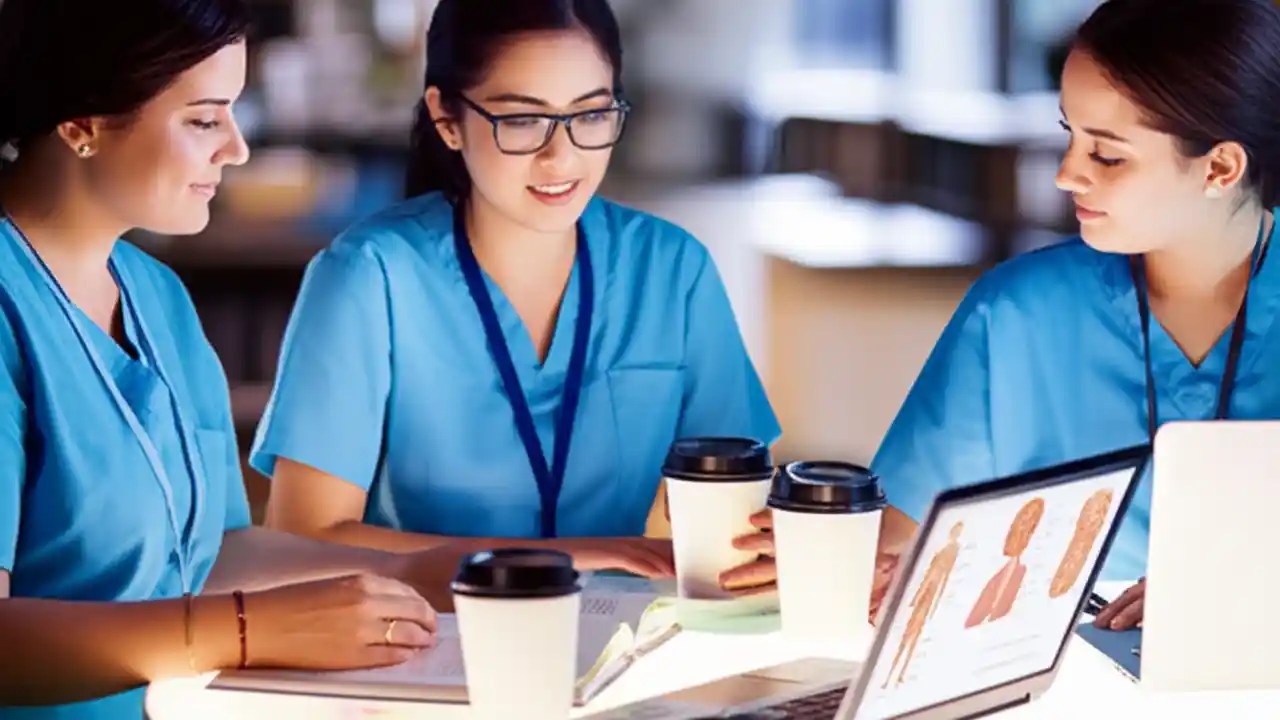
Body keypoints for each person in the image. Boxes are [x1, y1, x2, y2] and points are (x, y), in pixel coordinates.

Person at [0, 2, 477, 717]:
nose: (237, 148)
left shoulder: (156, 297)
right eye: (203, 119)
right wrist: (246, 631)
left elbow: (210, 552)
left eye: (234, 113)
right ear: (82, 124)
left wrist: (406, 571)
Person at [251, 0, 779, 586]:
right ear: (448, 120)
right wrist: (564, 559)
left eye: (592, 115)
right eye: (522, 121)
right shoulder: (369, 276)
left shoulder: (672, 270)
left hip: (616, 644)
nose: (562, 156)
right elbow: (303, 539)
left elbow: (737, 512)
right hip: (419, 637)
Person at [870, 0, 1280, 633]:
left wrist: (1241, 592)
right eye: (1070, 135)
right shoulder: (1015, 314)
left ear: (1220, 168)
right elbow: (896, 546)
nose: (1066, 175)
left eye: (1107, 156)